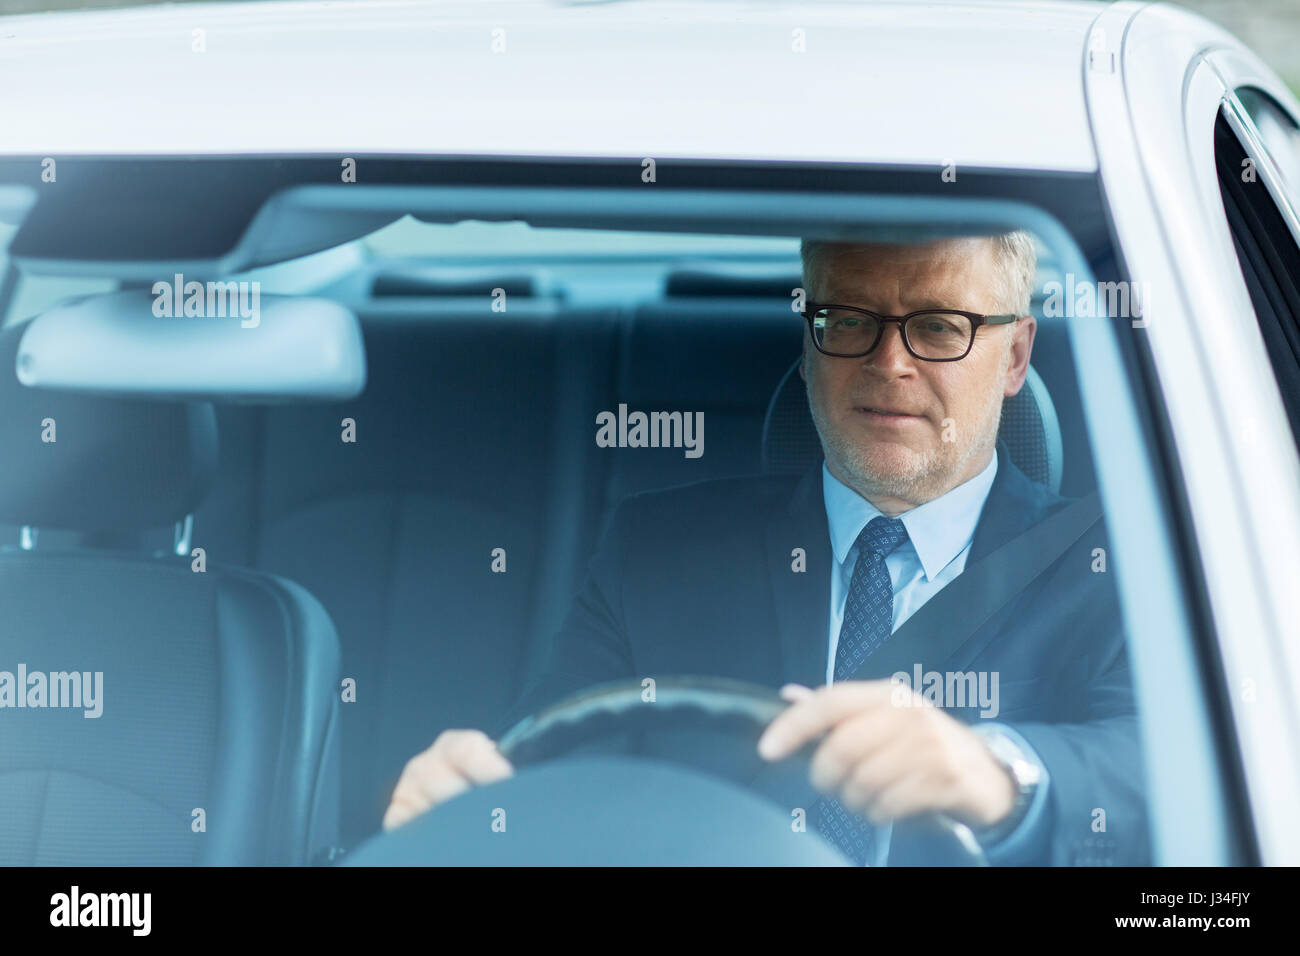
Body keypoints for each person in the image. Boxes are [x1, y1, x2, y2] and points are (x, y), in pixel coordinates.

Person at [382, 231, 1149, 865]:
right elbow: (551, 775)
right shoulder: (656, 552)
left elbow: (1167, 786)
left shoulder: (1125, 568)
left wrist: (998, 775)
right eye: (848, 319)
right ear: (810, 340)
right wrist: (469, 809)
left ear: (1015, 356)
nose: (889, 363)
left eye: (940, 326)